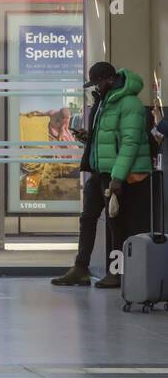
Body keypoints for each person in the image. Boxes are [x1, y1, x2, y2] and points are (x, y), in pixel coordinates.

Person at [53, 61, 151, 288]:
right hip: (99, 172)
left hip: (116, 175)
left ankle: (116, 273)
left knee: (117, 224)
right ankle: (81, 268)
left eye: (97, 82)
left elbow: (130, 142)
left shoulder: (129, 103)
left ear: (109, 79)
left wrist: (117, 177)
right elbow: (109, 138)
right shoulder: (104, 101)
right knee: (87, 219)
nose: (95, 88)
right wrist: (88, 138)